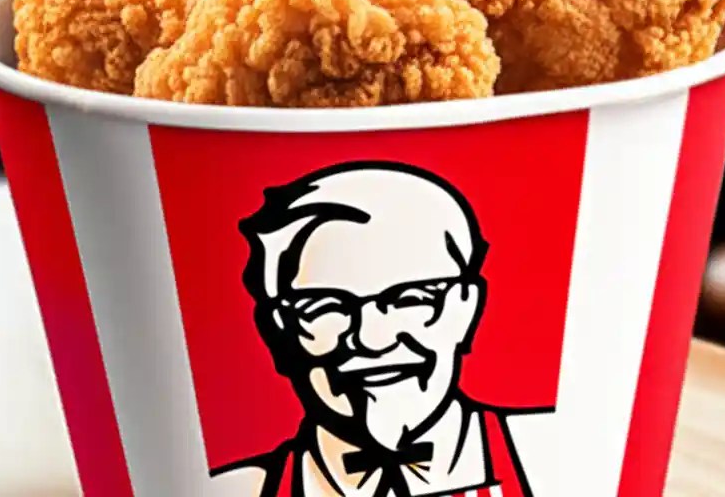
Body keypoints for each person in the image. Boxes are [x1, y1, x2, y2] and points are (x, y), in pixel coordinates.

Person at [212, 162, 533, 497]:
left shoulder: (548, 451)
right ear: (278, 331)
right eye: (325, 307)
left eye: (412, 299)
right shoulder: (232, 489)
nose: (371, 338)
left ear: (467, 309)